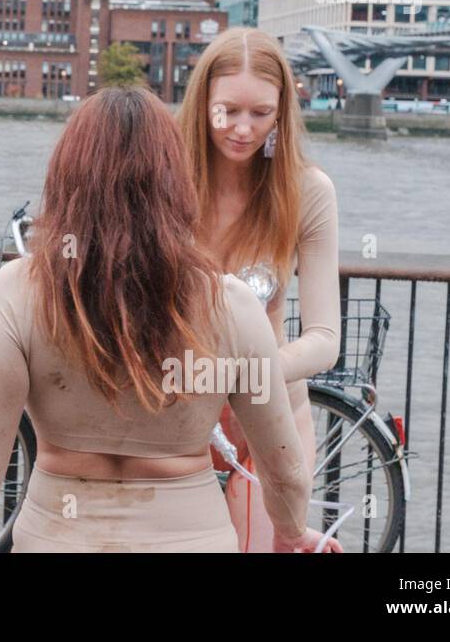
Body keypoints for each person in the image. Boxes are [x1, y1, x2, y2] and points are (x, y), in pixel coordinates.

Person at [0, 87, 337, 553]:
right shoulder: (232, 305)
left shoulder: (18, 291)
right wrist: (290, 530)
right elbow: (283, 468)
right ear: (175, 180)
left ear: (66, 177)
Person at [178, 27, 342, 553]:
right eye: (227, 111)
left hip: (269, 417)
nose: (243, 129)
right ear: (202, 101)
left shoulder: (307, 191)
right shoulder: (166, 179)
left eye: (261, 113)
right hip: (172, 418)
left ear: (282, 114)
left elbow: (323, 338)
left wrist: (245, 373)